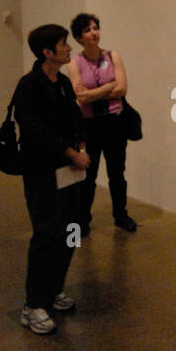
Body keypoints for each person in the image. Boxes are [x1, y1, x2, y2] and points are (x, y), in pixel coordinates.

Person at [13, 24, 88, 336]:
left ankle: (54, 288)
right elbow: (32, 128)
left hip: (69, 170)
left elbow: (75, 117)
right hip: (43, 171)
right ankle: (33, 304)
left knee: (71, 229)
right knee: (47, 233)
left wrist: (80, 145)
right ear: (47, 52)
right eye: (63, 44)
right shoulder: (29, 85)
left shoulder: (64, 82)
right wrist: (70, 151)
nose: (69, 49)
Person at [66, 13, 136, 234]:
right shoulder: (75, 63)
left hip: (115, 122)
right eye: (87, 30)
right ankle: (83, 220)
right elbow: (81, 97)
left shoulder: (113, 55)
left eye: (95, 28)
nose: (93, 33)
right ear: (79, 37)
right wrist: (108, 88)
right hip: (90, 126)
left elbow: (122, 89)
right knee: (88, 175)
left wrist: (93, 93)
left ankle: (121, 215)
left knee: (117, 173)